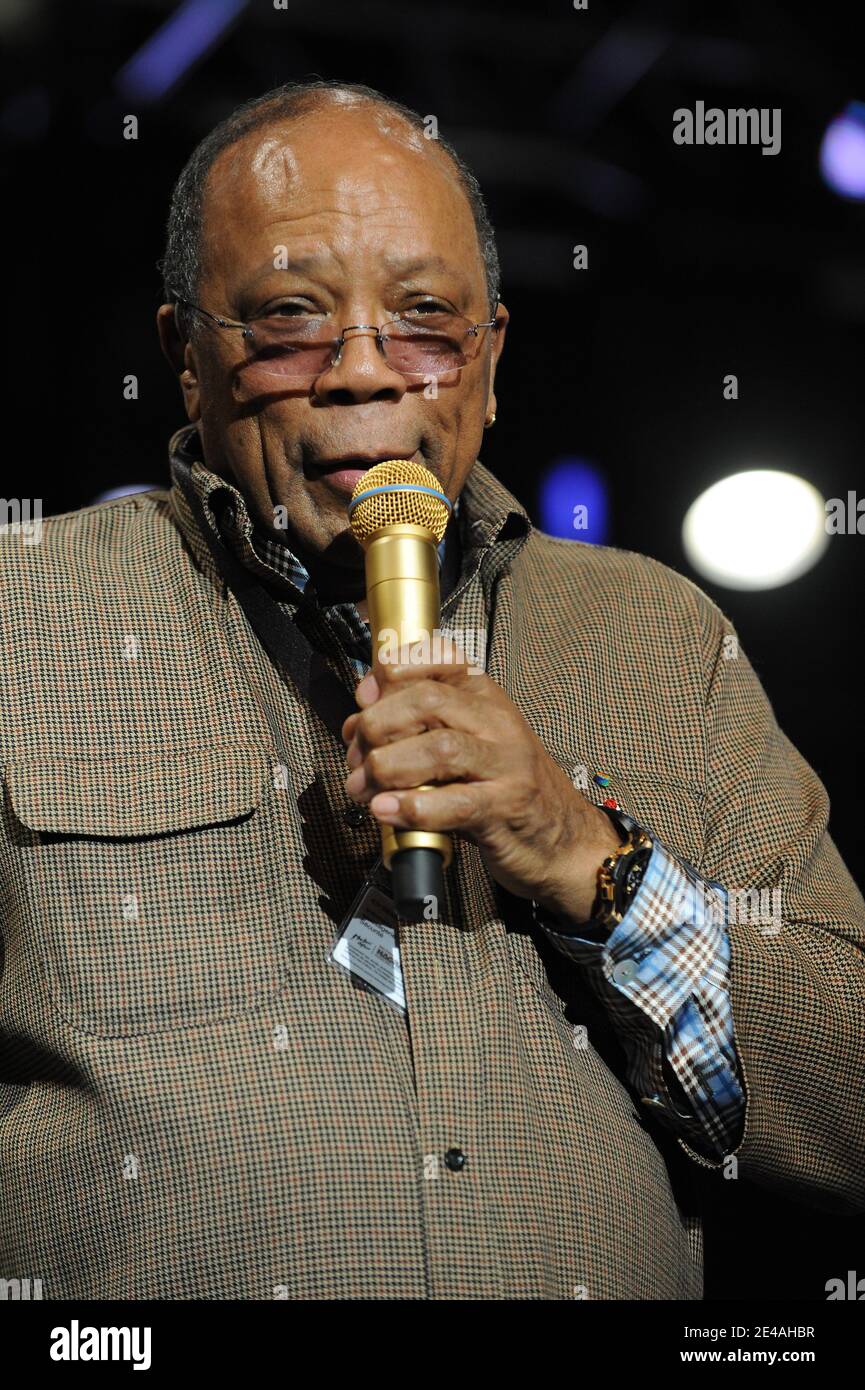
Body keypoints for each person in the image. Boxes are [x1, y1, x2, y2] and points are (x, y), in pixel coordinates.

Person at [0, 80, 862, 1302]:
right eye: (291, 317)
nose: (364, 373)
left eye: (421, 318)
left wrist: (586, 856)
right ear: (185, 362)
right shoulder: (19, 615)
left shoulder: (654, 634)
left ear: (488, 360)